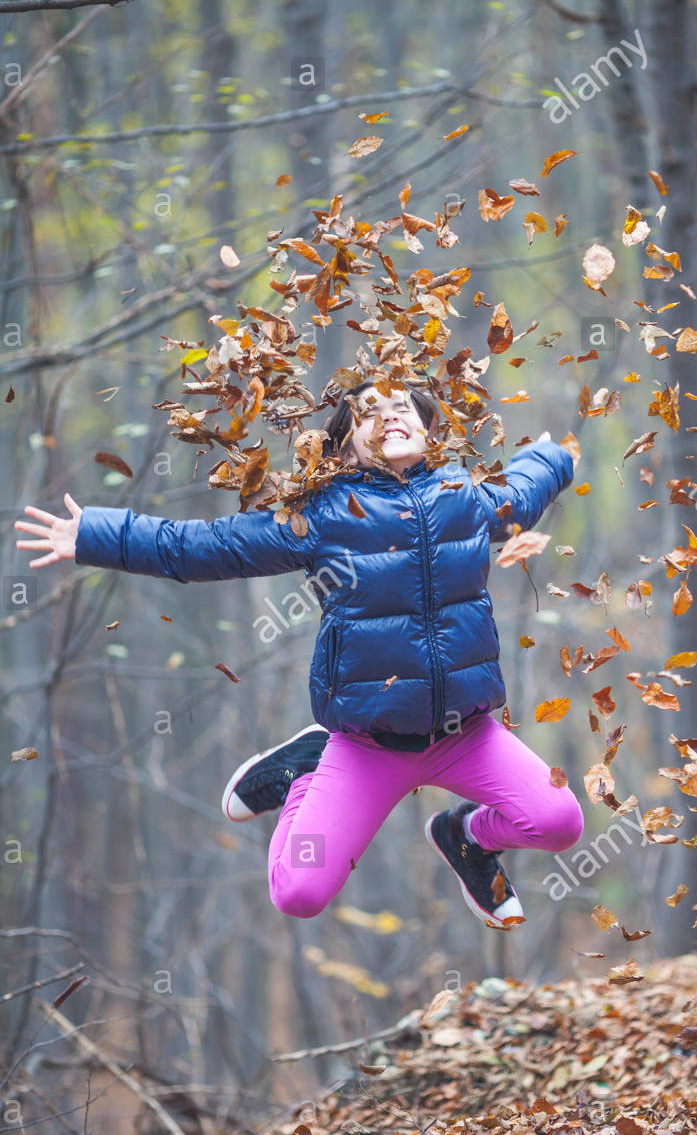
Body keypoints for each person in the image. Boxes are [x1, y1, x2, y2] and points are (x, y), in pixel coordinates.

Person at [13, 380, 584, 930]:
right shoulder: (324, 516)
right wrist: (95, 534)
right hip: (369, 747)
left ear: (430, 428)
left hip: (468, 735)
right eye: (368, 410)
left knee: (560, 822)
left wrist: (556, 454)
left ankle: (466, 838)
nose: (389, 415)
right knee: (300, 891)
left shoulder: (467, 499)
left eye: (403, 405)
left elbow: (523, 492)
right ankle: (299, 775)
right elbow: (203, 548)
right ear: (344, 442)